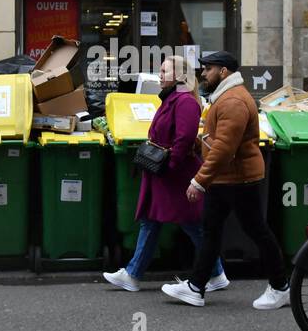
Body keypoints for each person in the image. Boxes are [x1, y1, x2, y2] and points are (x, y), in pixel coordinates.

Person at [161, 51, 288, 309]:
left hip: (239, 178)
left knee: (257, 231)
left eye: (208, 69)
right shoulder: (225, 97)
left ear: (223, 72)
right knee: (211, 231)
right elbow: (217, 141)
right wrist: (198, 144)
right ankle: (196, 287)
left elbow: (225, 147)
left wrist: (199, 180)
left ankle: (280, 286)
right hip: (226, 177)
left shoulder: (233, 101)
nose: (203, 74)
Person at [103, 56, 227, 292]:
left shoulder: (185, 102)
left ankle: (217, 273)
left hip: (175, 175)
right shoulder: (172, 98)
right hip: (165, 174)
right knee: (152, 221)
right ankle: (132, 274)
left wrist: (169, 167)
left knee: (191, 225)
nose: (159, 75)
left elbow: (184, 138)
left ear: (179, 76)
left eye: (164, 71)